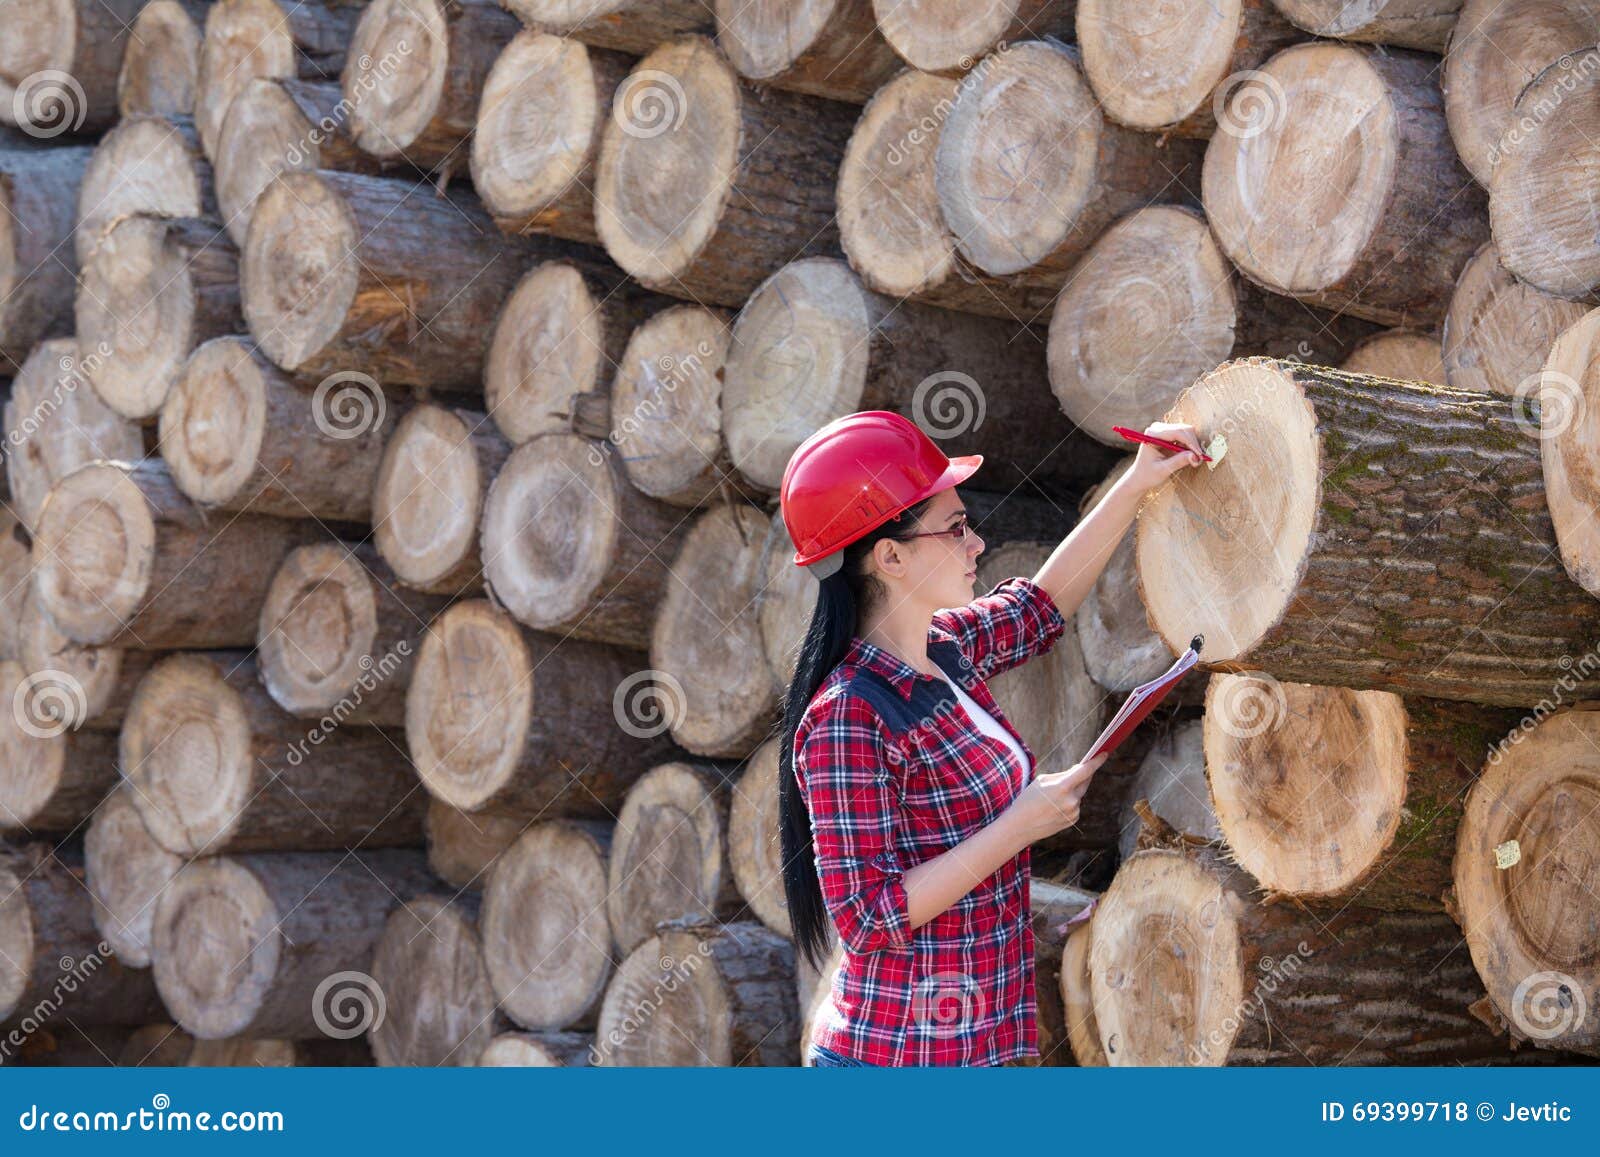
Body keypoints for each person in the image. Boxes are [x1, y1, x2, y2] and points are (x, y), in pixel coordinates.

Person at [777, 409, 1205, 1067]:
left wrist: (1138, 481)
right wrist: (1017, 825)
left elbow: (1042, 606)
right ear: (889, 556)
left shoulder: (943, 648)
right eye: (954, 529)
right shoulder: (847, 718)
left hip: (983, 1050)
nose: (975, 543)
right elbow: (868, 916)